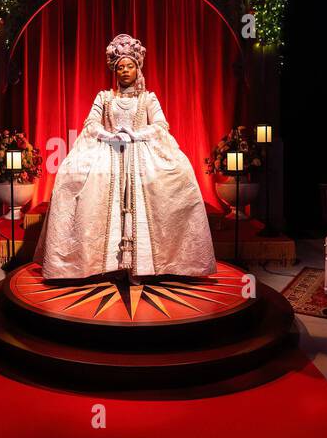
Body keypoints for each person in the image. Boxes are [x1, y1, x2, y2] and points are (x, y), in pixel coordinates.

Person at [36, 33, 216, 280]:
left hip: (141, 153)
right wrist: (110, 135)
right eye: (120, 67)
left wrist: (136, 133)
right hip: (109, 151)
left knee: (179, 177)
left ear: (137, 68)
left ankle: (144, 265)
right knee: (72, 178)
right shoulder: (104, 97)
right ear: (115, 70)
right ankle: (101, 264)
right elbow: (90, 124)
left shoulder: (147, 98)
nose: (124, 71)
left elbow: (162, 126)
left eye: (129, 66)